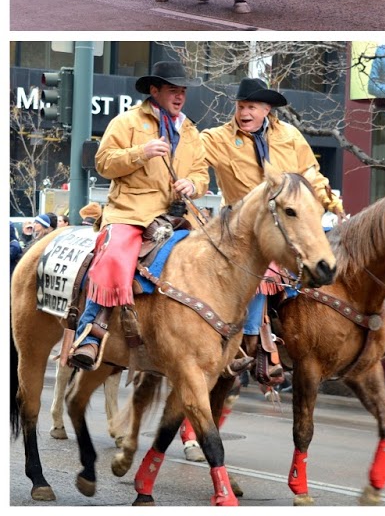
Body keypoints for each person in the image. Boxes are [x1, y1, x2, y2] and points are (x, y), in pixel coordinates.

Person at [70, 60, 210, 369]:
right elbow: (104, 163)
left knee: (219, 257)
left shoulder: (190, 130)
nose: (180, 97)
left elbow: (202, 174)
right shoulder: (126, 122)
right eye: (173, 90)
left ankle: (225, 338)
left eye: (183, 91)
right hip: (132, 210)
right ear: (154, 90)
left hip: (177, 214)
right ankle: (91, 334)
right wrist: (140, 153)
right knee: (116, 255)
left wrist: (193, 184)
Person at [201, 77, 342, 382]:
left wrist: (329, 200)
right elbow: (193, 161)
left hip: (287, 224)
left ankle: (319, 336)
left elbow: (309, 174)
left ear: (266, 108)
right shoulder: (217, 138)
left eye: (250, 106)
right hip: (241, 230)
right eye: (240, 106)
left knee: (320, 263)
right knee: (258, 274)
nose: (244, 113)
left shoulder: (289, 135)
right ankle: (249, 345)